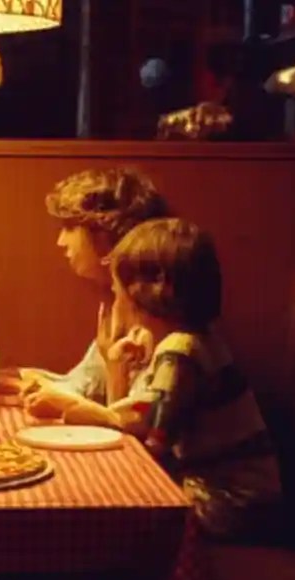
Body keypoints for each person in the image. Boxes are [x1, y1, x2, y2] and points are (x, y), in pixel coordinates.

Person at [62, 218, 281, 539]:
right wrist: (115, 368)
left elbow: (153, 446)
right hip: (240, 500)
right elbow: (142, 422)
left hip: (234, 504)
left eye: (117, 288)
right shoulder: (192, 341)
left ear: (144, 293)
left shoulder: (180, 353)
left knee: (113, 517)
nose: (115, 298)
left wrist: (94, 414)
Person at [10, 166, 166, 416]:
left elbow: (137, 418)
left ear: (106, 235)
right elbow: (84, 385)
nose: (61, 241)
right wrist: (7, 379)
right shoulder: (116, 305)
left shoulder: (157, 312)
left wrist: (66, 403)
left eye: (70, 228)